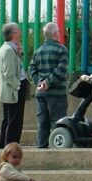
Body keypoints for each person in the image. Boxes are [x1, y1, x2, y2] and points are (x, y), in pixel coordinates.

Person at [27, 21, 69, 149]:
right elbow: (61, 70)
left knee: (42, 122)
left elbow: (31, 69)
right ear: (55, 34)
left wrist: (40, 82)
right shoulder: (62, 50)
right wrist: (48, 82)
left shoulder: (38, 51)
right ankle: (58, 147)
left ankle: (41, 147)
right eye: (59, 32)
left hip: (41, 93)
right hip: (57, 93)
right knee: (58, 121)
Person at [0, 22, 28, 148]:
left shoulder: (10, 49)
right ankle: (11, 147)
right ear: (13, 34)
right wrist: (18, 86)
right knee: (14, 121)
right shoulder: (8, 50)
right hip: (13, 90)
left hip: (11, 89)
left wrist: (19, 54)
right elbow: (9, 74)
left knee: (8, 120)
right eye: (18, 31)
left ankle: (4, 147)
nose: (20, 33)